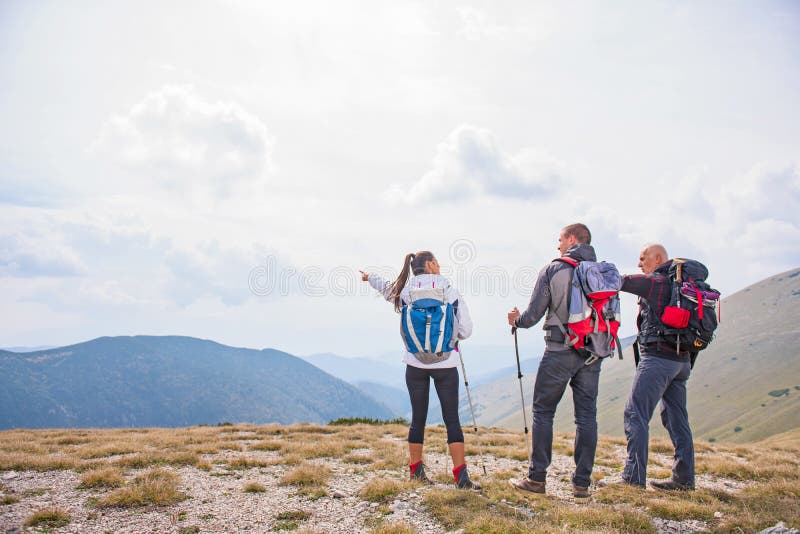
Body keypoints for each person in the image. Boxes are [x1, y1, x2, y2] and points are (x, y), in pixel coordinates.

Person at [361, 251, 480, 490]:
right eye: (436, 261)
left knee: (418, 418)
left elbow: (385, 288)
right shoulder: (451, 292)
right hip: (445, 363)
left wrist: (369, 277)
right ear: (429, 265)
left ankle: (416, 471)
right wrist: (451, 337)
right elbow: (465, 331)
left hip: (414, 363)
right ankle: (461, 476)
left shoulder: (405, 292)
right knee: (452, 419)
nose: (439, 265)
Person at [506, 223, 602, 499]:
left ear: (571, 239)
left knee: (543, 411)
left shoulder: (555, 268)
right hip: (593, 352)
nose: (557, 245)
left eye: (560, 239)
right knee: (586, 416)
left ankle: (537, 479)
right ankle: (582, 483)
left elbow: (533, 314)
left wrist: (516, 321)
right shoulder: (602, 271)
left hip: (560, 349)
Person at [618, 243, 695, 490]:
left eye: (643, 258)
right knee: (676, 417)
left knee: (635, 413)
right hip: (681, 360)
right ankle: (684, 480)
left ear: (658, 258)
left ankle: (633, 479)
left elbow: (622, 281)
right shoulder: (681, 285)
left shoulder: (657, 282)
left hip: (658, 359)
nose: (640, 264)